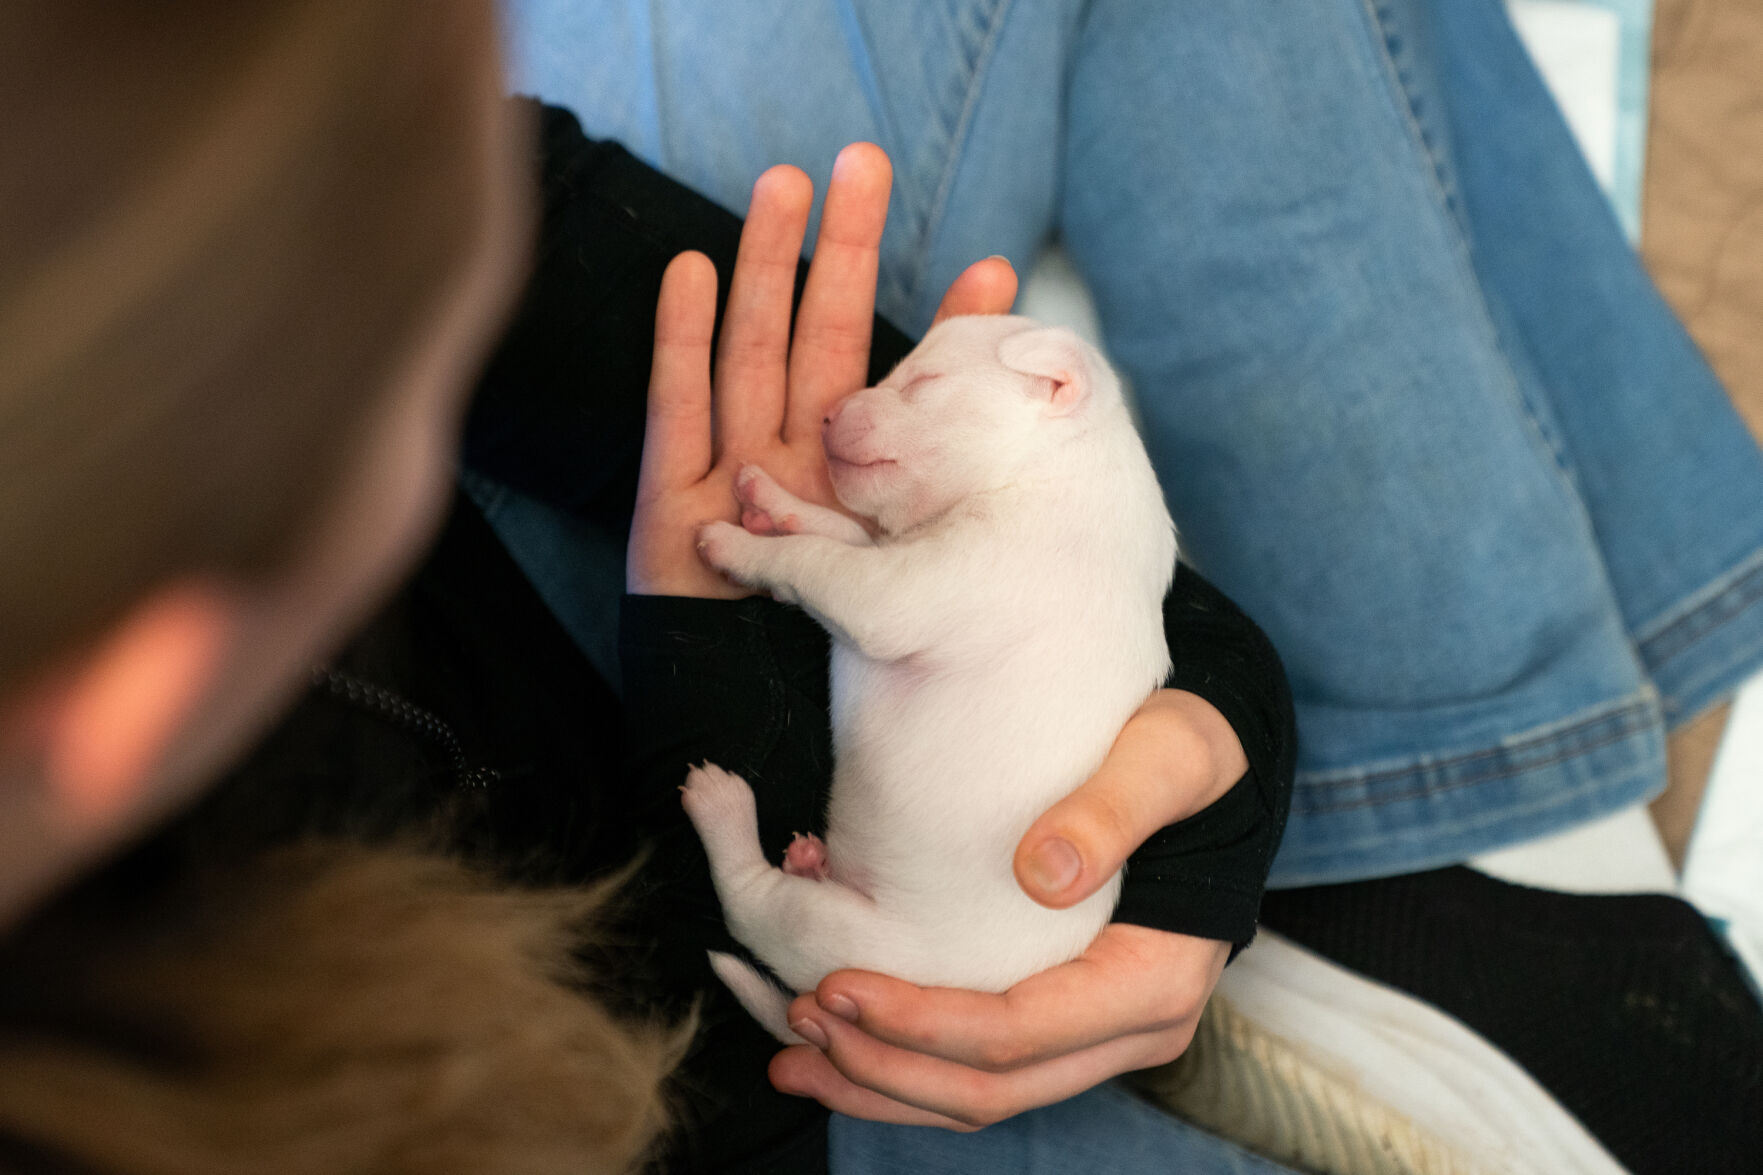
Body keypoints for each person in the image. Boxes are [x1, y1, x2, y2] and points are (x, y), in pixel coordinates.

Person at [0, 5, 1299, 1174]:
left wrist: (1197, 729)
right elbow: (684, 1096)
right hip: (751, 1012)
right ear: (146, 675)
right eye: (416, 378)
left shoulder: (170, 223)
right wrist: (734, 717)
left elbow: (1044, 528)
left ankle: (1434, 836)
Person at [504, 0, 1763, 1171]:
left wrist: (1196, 683)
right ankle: (1491, 806)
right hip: (755, 1066)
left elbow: (484, 224)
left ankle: (1495, 814)